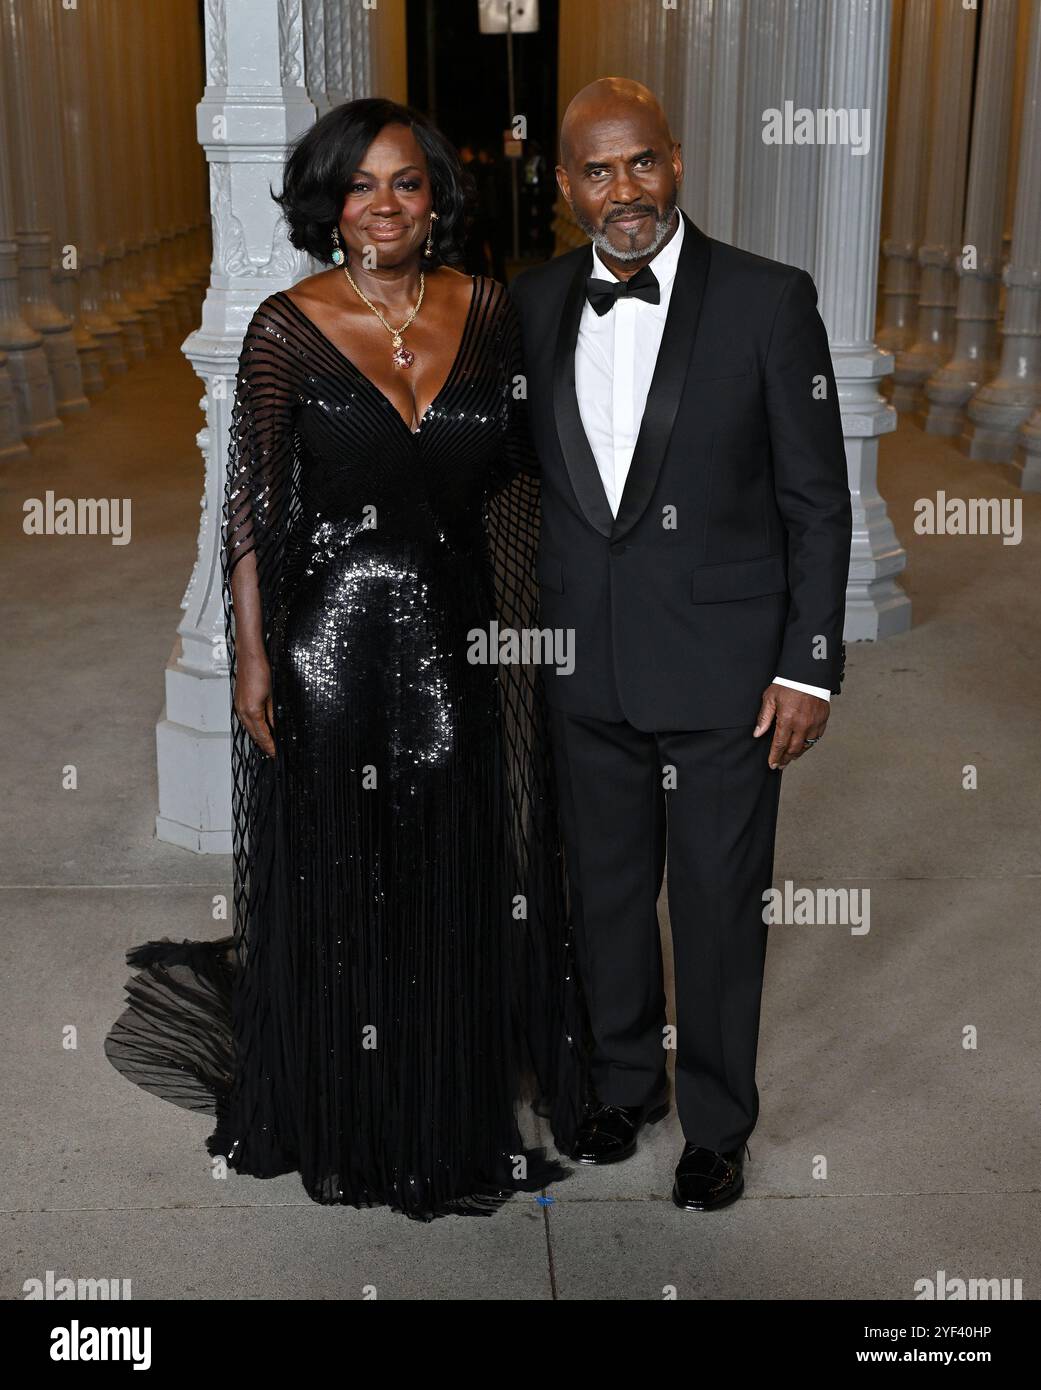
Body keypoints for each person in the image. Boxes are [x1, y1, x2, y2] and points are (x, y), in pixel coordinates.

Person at [105, 98, 589, 1222]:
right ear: (328, 201)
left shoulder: (492, 310)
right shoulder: (286, 324)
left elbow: (530, 472)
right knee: (347, 874)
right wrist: (251, 658)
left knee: (451, 857)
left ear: (438, 196)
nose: (386, 205)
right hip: (330, 645)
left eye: (407, 182)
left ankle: (439, 1086)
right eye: (362, 185)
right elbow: (251, 509)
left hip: (459, 640)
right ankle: (347, 1093)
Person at [509, 78, 852, 1211]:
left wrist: (807, 661)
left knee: (714, 900)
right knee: (605, 890)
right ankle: (621, 1083)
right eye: (597, 171)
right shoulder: (535, 303)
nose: (625, 190)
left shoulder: (767, 299)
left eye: (642, 162)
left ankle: (717, 1121)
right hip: (584, 666)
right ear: (565, 187)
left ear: (678, 164)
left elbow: (817, 498)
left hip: (727, 673)